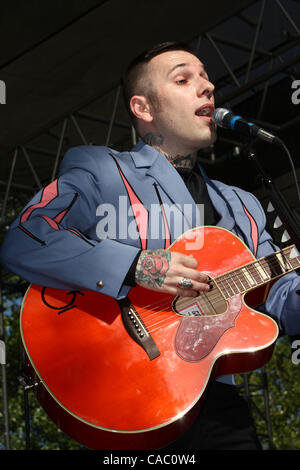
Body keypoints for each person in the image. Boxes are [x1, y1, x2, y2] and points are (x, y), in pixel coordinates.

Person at [1, 41, 300, 450]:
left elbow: (281, 295)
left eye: (206, 76)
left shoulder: (242, 204)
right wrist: (134, 265)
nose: (207, 86)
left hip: (216, 404)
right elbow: (25, 237)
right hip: (133, 392)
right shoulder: (101, 170)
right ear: (144, 109)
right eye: (183, 78)